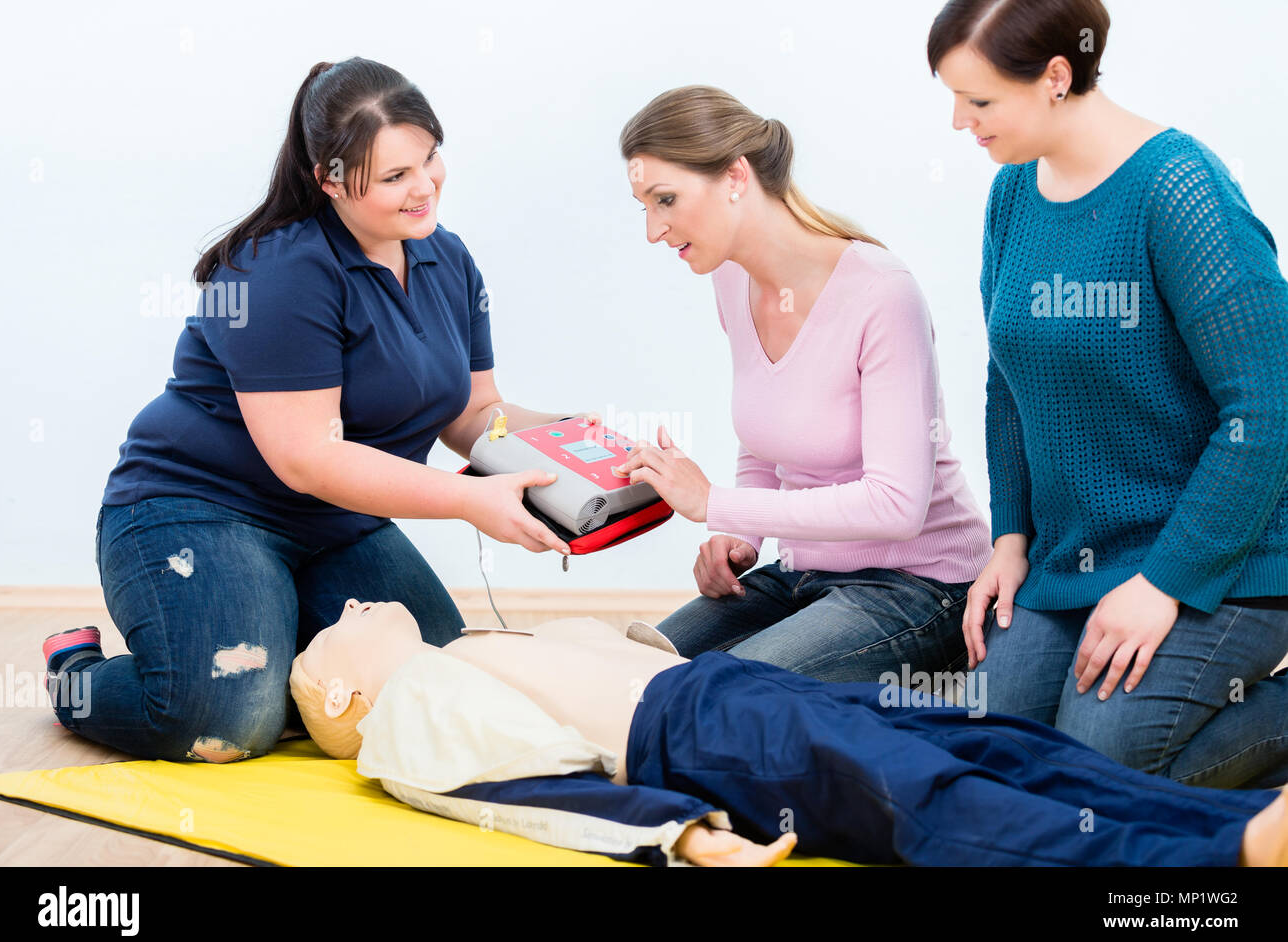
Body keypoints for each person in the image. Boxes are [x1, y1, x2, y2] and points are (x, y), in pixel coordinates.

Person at [45, 57, 594, 763]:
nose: (425, 187)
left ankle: (277, 656)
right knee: (224, 723)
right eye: (395, 177)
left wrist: (579, 445)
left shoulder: (446, 259)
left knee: (440, 685)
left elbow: (473, 412)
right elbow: (308, 458)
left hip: (340, 526)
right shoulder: (275, 271)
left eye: (430, 159)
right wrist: (469, 500)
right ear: (329, 179)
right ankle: (75, 674)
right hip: (200, 510)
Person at [928, 0, 1288, 788]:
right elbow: (1009, 384)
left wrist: (1164, 583)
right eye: (954, 98)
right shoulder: (1013, 194)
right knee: (984, 752)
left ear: (1056, 76)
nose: (960, 121)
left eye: (979, 101)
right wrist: (1010, 538)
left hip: (1223, 558)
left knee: (1095, 768)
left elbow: (1266, 410)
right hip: (1074, 556)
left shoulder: (1181, 192)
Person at [284, 599, 1288, 867]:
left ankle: (1238, 814)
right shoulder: (410, 713)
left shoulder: (442, 656)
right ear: (339, 697)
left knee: (999, 742)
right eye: (344, 622)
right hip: (713, 743)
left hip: (732, 694)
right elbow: (525, 796)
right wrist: (671, 830)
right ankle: (1224, 849)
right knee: (936, 804)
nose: (365, 597)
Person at [613, 86, 993, 683]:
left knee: (711, 698)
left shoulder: (880, 292)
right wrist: (738, 535)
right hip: (804, 575)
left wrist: (714, 503)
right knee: (630, 674)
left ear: (736, 176)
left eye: (666, 200)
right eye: (644, 206)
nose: (653, 231)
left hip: (920, 586)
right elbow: (769, 438)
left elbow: (896, 506)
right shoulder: (732, 280)